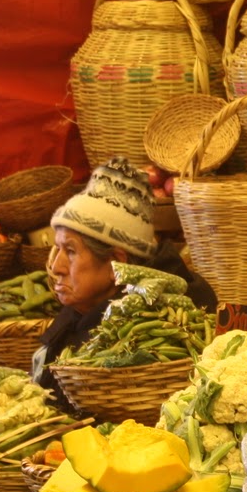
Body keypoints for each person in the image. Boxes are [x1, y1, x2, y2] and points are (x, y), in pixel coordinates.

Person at [30, 158, 158, 404]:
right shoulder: (74, 320)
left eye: (70, 251)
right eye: (56, 249)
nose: (56, 267)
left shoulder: (138, 337)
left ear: (116, 265)